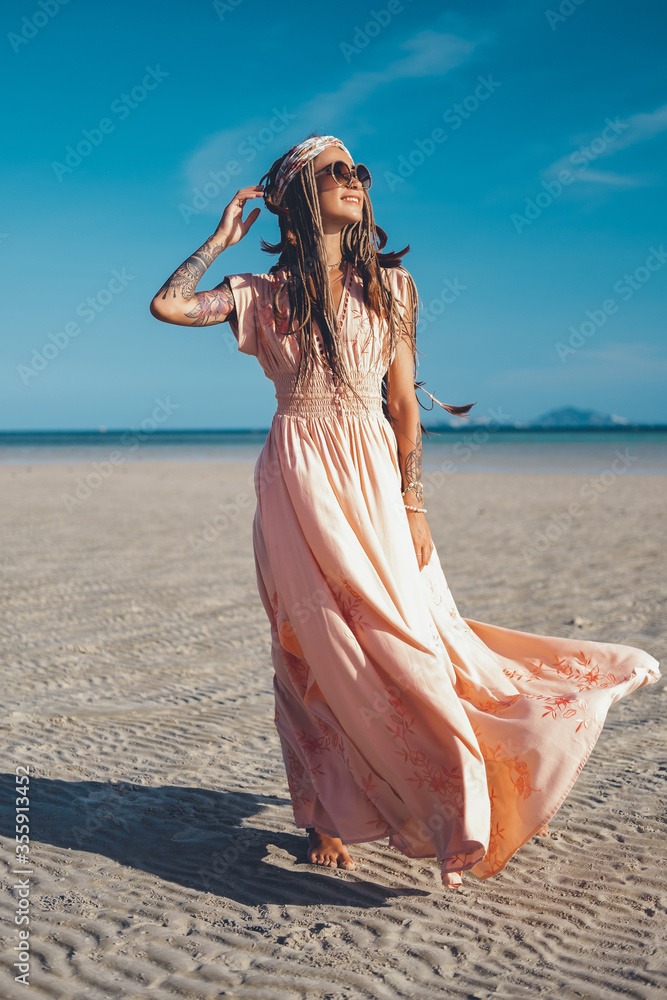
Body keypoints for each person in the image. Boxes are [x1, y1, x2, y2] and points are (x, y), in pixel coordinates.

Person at [149, 133, 661, 891]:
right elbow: (170, 305)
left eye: (358, 171)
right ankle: (323, 815)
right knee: (307, 649)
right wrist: (219, 239)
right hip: (293, 478)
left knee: (410, 639)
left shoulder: (393, 289)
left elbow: (400, 407)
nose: (353, 180)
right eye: (333, 172)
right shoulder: (259, 293)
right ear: (295, 196)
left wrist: (414, 501)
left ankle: (472, 787)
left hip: (373, 478)